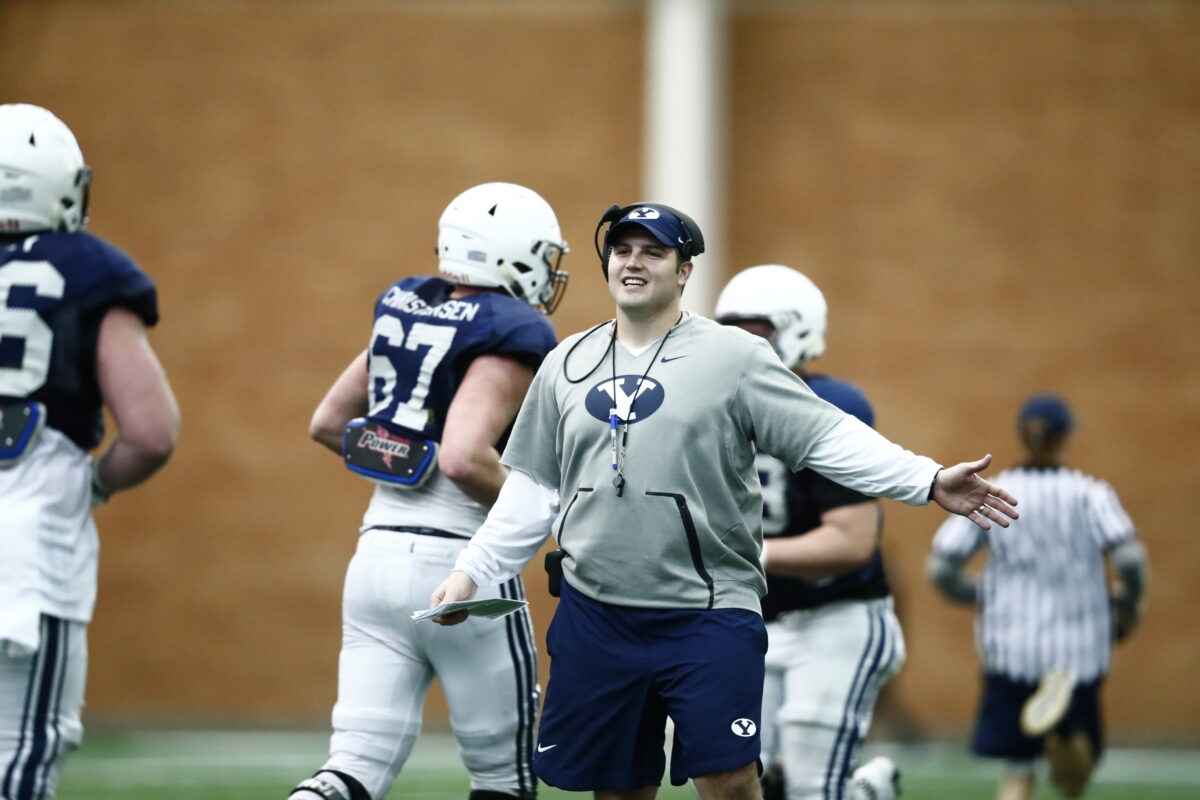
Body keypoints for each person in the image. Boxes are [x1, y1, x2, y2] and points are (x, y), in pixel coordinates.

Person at [430, 201, 1018, 800]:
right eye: (623, 250)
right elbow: (532, 489)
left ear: (684, 270)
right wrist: (470, 571)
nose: (633, 263)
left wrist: (928, 479)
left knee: (730, 782)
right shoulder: (565, 362)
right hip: (596, 614)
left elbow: (826, 435)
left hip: (706, 610)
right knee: (617, 789)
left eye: (653, 252)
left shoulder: (735, 357)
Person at [287, 182, 568, 800]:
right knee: (505, 778)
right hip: (463, 566)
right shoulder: (511, 327)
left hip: (374, 558)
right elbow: (464, 459)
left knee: (350, 769)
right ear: (512, 253)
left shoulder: (407, 306)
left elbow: (328, 423)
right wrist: (550, 515)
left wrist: (404, 460)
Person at [0, 103, 180, 799]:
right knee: (18, 764)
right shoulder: (89, 269)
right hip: (26, 555)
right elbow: (151, 433)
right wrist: (96, 484)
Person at [715, 265, 902, 800]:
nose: (741, 348)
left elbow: (851, 541)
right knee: (735, 780)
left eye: (755, 333)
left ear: (795, 330)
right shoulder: (712, 405)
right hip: (750, 619)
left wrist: (747, 554)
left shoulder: (829, 404)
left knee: (811, 789)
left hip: (834, 615)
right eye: (731, 334)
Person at [927, 394, 1147, 800]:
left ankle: (1040, 743)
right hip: (1079, 650)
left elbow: (942, 568)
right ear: (1065, 438)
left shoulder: (996, 492)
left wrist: (985, 594)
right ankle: (1065, 732)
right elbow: (1130, 559)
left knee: (1017, 771)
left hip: (1011, 648)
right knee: (1073, 780)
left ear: (1022, 436)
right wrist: (1129, 604)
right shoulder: (1090, 494)